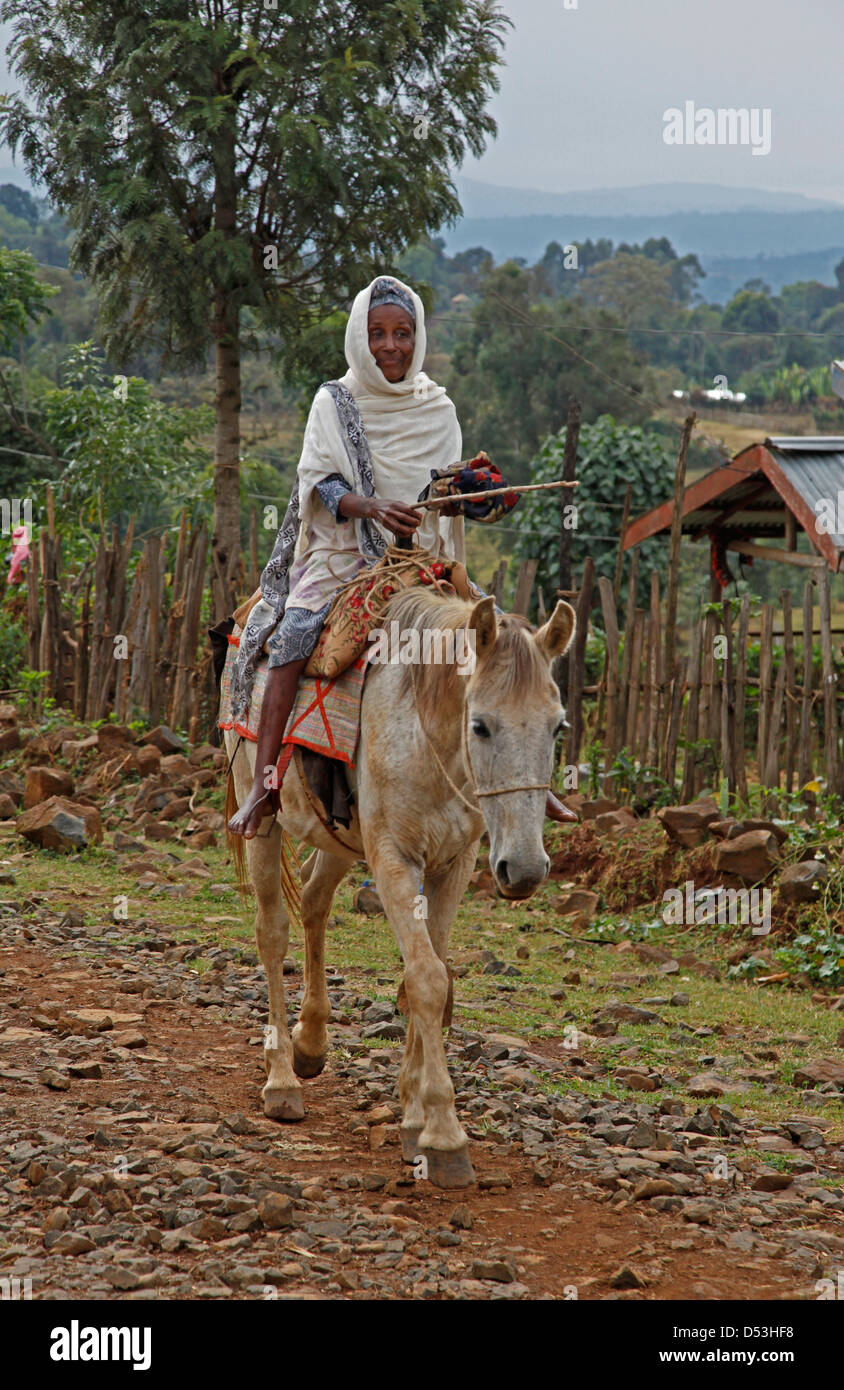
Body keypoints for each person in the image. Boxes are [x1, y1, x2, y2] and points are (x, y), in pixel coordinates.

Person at [227, 274, 575, 837]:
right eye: (378, 333)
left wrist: (479, 499)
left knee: (512, 642)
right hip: (342, 556)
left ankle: (535, 787)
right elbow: (321, 487)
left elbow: (443, 493)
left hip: (424, 563)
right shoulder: (333, 403)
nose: (391, 346)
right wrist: (372, 508)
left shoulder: (437, 407)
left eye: (403, 333)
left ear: (418, 338)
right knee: (292, 638)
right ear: (358, 339)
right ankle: (265, 788)